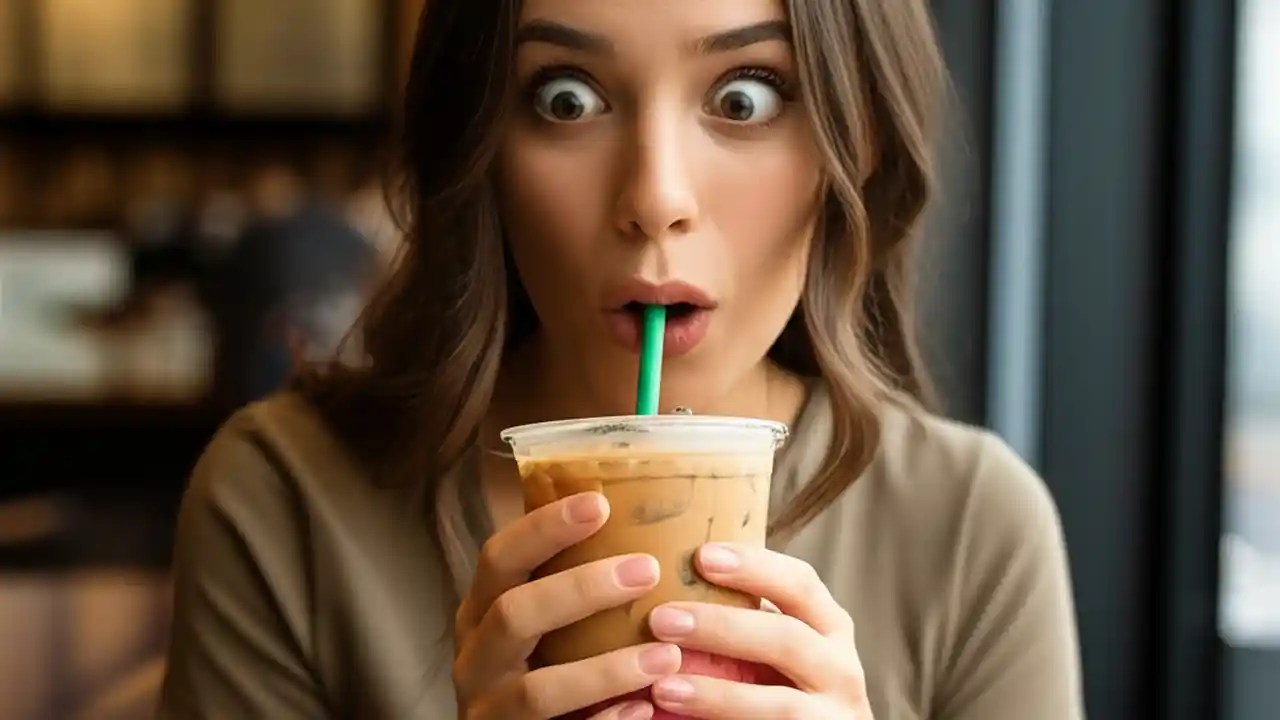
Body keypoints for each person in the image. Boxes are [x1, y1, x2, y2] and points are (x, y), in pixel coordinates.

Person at [157, 1, 1084, 718]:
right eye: (566, 98)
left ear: (859, 139)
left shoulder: (972, 531)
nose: (655, 197)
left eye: (745, 96)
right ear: (480, 148)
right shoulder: (289, 500)